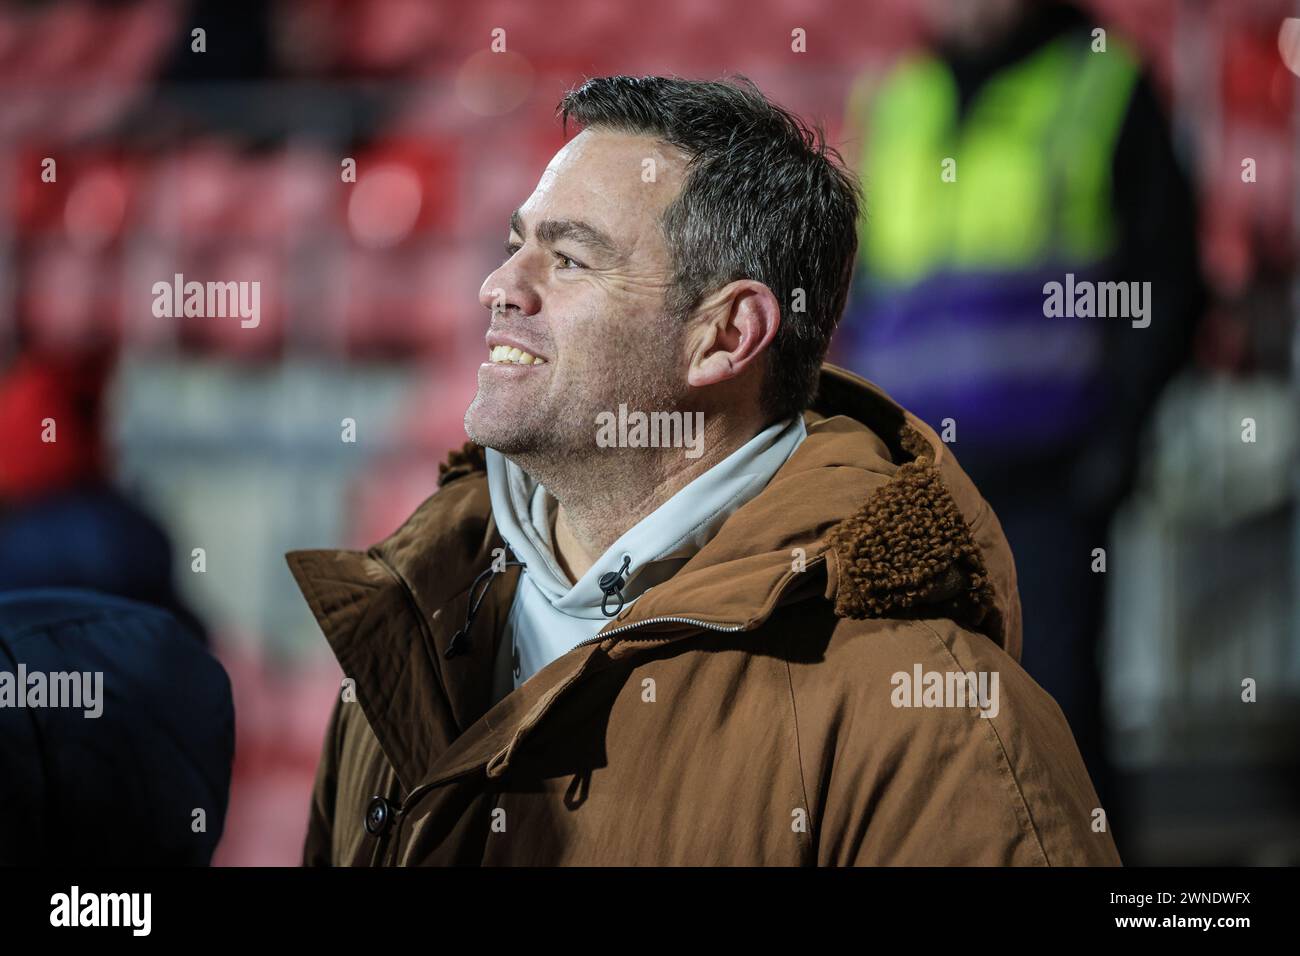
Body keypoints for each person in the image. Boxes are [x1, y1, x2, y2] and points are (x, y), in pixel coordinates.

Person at [289, 75, 1121, 866]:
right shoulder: (407, 616)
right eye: (516, 246)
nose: (499, 286)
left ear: (726, 336)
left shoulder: (934, 717)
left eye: (569, 259)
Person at [833, 0, 1204, 831]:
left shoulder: (1103, 81)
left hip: (1054, 476)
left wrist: (1119, 440)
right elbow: (866, 289)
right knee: (915, 718)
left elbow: (1166, 283)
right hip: (913, 476)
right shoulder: (897, 98)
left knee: (1051, 709)